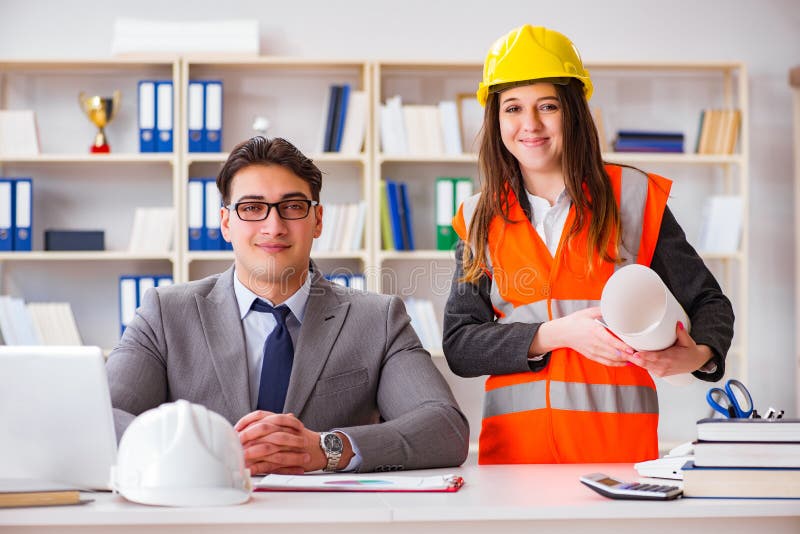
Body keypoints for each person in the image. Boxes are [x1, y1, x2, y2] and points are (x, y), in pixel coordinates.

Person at [442, 25, 734, 464]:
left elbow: (709, 302)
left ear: (573, 112)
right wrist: (554, 335)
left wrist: (698, 355)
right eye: (513, 108)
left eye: (547, 106)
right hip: (514, 464)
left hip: (617, 461)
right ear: (496, 119)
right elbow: (460, 345)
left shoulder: (632, 198)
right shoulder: (478, 217)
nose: (530, 124)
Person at [107, 136, 469, 474]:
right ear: (226, 223)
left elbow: (445, 427)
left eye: (292, 207)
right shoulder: (165, 314)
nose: (274, 226)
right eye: (252, 208)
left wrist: (327, 448)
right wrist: (207, 451)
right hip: (203, 509)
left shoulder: (378, 319)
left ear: (318, 220)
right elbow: (104, 417)